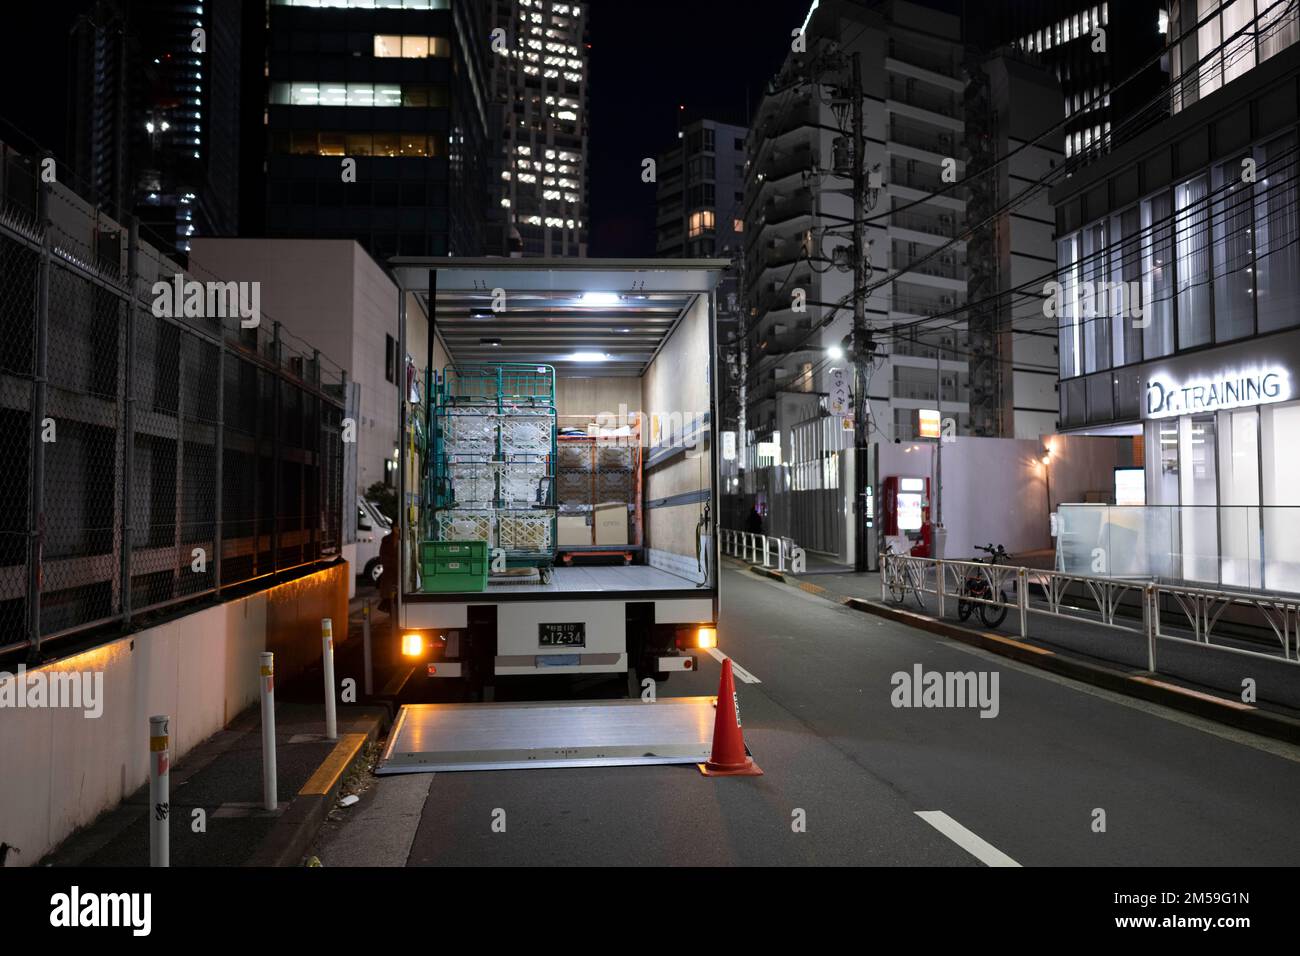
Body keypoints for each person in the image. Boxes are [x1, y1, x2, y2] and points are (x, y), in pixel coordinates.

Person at [377, 523, 400, 615]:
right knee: (389, 596)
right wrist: (392, 563)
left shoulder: (404, 538)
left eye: (398, 526)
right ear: (392, 527)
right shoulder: (386, 539)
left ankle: (395, 614)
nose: (397, 528)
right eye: (396, 526)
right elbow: (382, 555)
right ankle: (391, 614)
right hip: (389, 571)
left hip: (399, 572)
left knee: (397, 596)